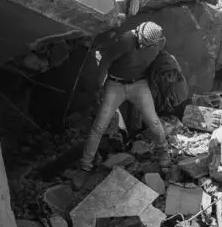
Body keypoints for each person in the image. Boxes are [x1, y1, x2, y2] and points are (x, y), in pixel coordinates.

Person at [72, 22, 172, 189]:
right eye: (141, 42)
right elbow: (105, 61)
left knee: (153, 122)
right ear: (138, 33)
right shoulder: (125, 40)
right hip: (115, 85)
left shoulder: (159, 42)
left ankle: (165, 157)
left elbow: (158, 58)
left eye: (147, 45)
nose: (142, 46)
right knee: (99, 126)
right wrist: (99, 85)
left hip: (139, 84)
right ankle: (85, 167)